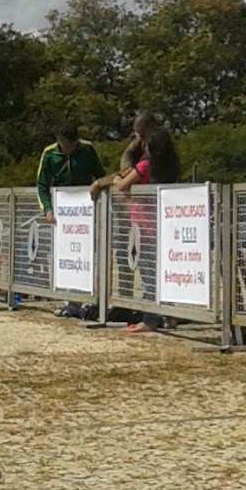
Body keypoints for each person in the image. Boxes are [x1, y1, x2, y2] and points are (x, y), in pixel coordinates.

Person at [92, 114, 181, 334]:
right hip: (161, 224)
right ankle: (169, 318)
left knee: (148, 274)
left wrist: (113, 180)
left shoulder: (144, 166)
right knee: (161, 273)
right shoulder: (169, 167)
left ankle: (149, 320)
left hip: (144, 226)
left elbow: (122, 184)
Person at [36, 122, 105, 317]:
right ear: (59, 140)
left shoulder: (88, 149)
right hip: (62, 215)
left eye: (73, 144)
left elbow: (100, 175)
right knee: (65, 256)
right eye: (67, 145)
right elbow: (41, 184)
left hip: (86, 211)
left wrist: (98, 189)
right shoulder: (49, 154)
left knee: (87, 255)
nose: (70, 148)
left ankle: (93, 301)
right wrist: (47, 209)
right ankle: (71, 302)